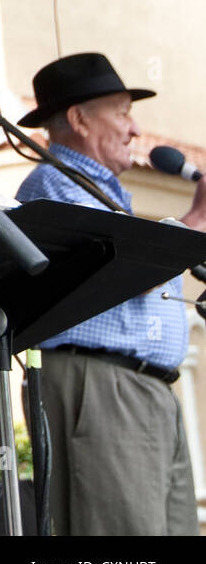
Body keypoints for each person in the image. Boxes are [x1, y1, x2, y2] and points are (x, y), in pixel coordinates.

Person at [16, 52, 206, 535]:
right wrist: (194, 223)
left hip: (143, 388)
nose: (135, 128)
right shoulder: (54, 184)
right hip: (100, 383)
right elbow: (115, 268)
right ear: (78, 119)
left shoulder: (105, 191)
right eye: (121, 111)